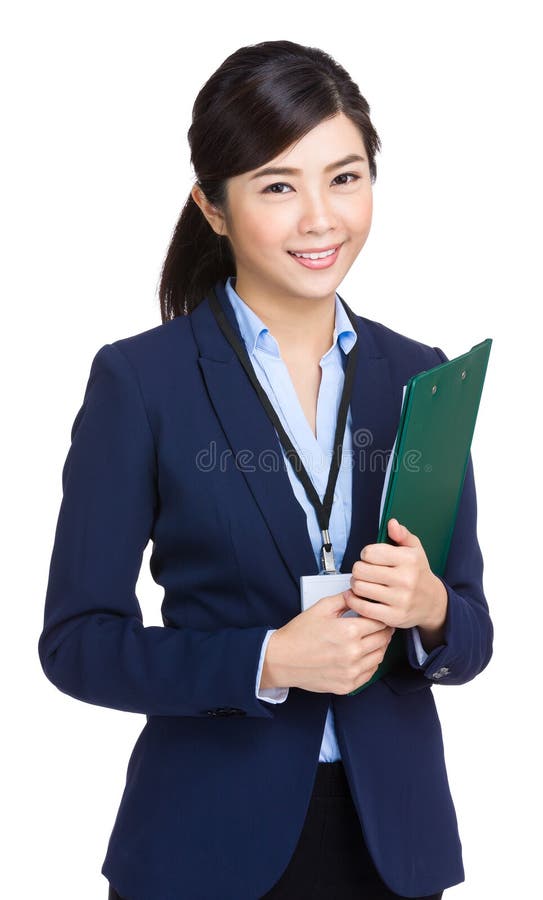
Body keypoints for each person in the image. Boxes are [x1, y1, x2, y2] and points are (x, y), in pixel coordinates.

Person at [38, 39, 494, 900]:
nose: (320, 218)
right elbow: (75, 644)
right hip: (204, 846)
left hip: (394, 850)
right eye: (278, 186)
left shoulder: (418, 377)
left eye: (345, 177)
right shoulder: (141, 383)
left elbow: (470, 631)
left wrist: (430, 609)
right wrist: (269, 661)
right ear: (212, 208)